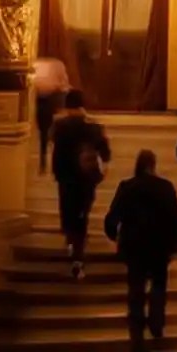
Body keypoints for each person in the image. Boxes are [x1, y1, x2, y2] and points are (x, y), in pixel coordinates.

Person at [104, 150, 177, 349]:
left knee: (136, 289)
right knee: (158, 285)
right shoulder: (165, 187)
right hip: (159, 246)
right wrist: (175, 244)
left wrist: (114, 235)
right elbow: (175, 218)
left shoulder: (127, 186)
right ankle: (156, 322)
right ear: (153, 165)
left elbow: (112, 217)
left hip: (134, 246)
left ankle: (137, 333)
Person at [50, 89, 110, 280]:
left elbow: (55, 150)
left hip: (66, 177)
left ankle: (71, 241)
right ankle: (78, 252)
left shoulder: (59, 127)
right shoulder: (93, 128)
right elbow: (106, 152)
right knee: (82, 214)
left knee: (68, 210)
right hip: (86, 178)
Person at [33, 57, 70, 174]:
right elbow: (64, 84)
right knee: (49, 133)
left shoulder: (37, 64)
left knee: (45, 133)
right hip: (49, 100)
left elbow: (63, 84)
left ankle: (44, 162)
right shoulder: (56, 64)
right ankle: (46, 162)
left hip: (46, 100)